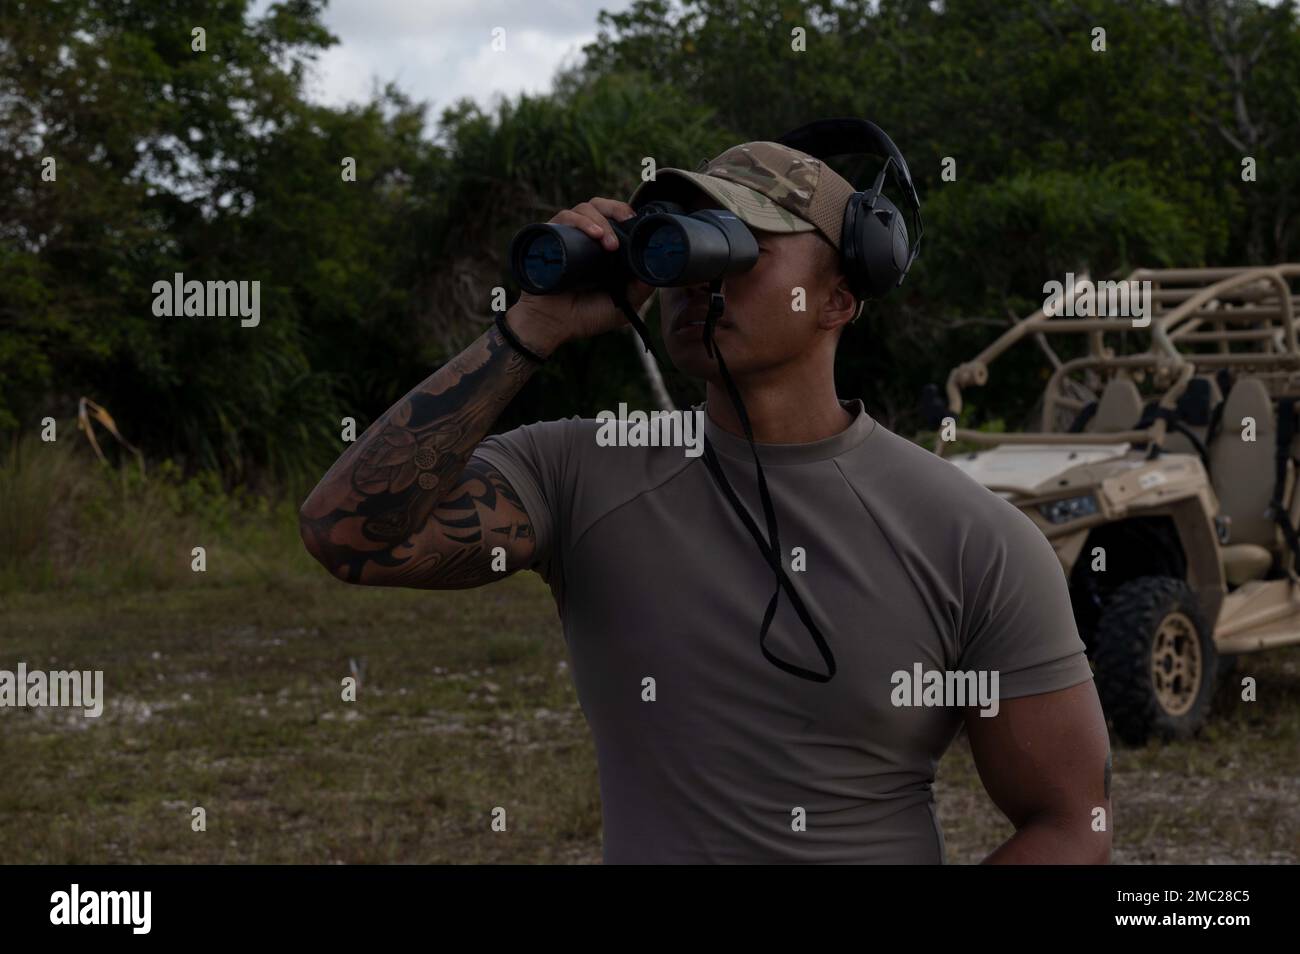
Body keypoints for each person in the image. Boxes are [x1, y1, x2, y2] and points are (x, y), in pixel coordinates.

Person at [299, 137, 1112, 864]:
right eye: (683, 245)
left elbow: (1070, 823)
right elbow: (350, 535)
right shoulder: (581, 472)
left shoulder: (973, 537)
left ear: (838, 298)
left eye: (744, 247)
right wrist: (533, 325)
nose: (699, 279)